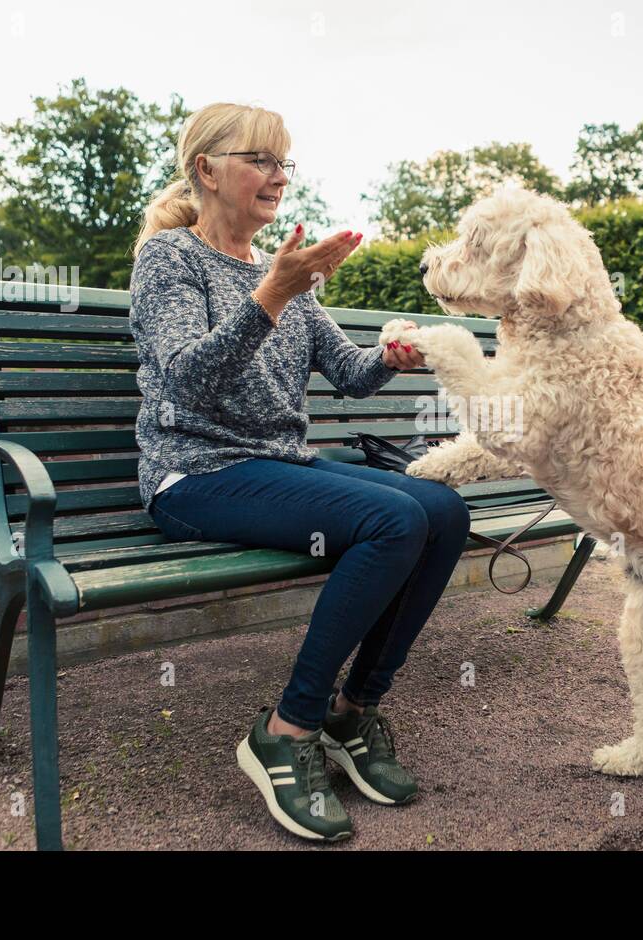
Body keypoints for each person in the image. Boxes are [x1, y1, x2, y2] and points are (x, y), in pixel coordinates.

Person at [129, 102, 471, 842]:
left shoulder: (281, 268)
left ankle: (353, 712)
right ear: (206, 171)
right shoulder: (170, 260)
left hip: (277, 466)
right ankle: (287, 730)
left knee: (443, 511)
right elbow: (188, 381)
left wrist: (389, 354)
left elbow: (345, 374)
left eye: (285, 163)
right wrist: (273, 294)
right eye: (260, 160)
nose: (278, 177)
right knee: (393, 519)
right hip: (194, 476)